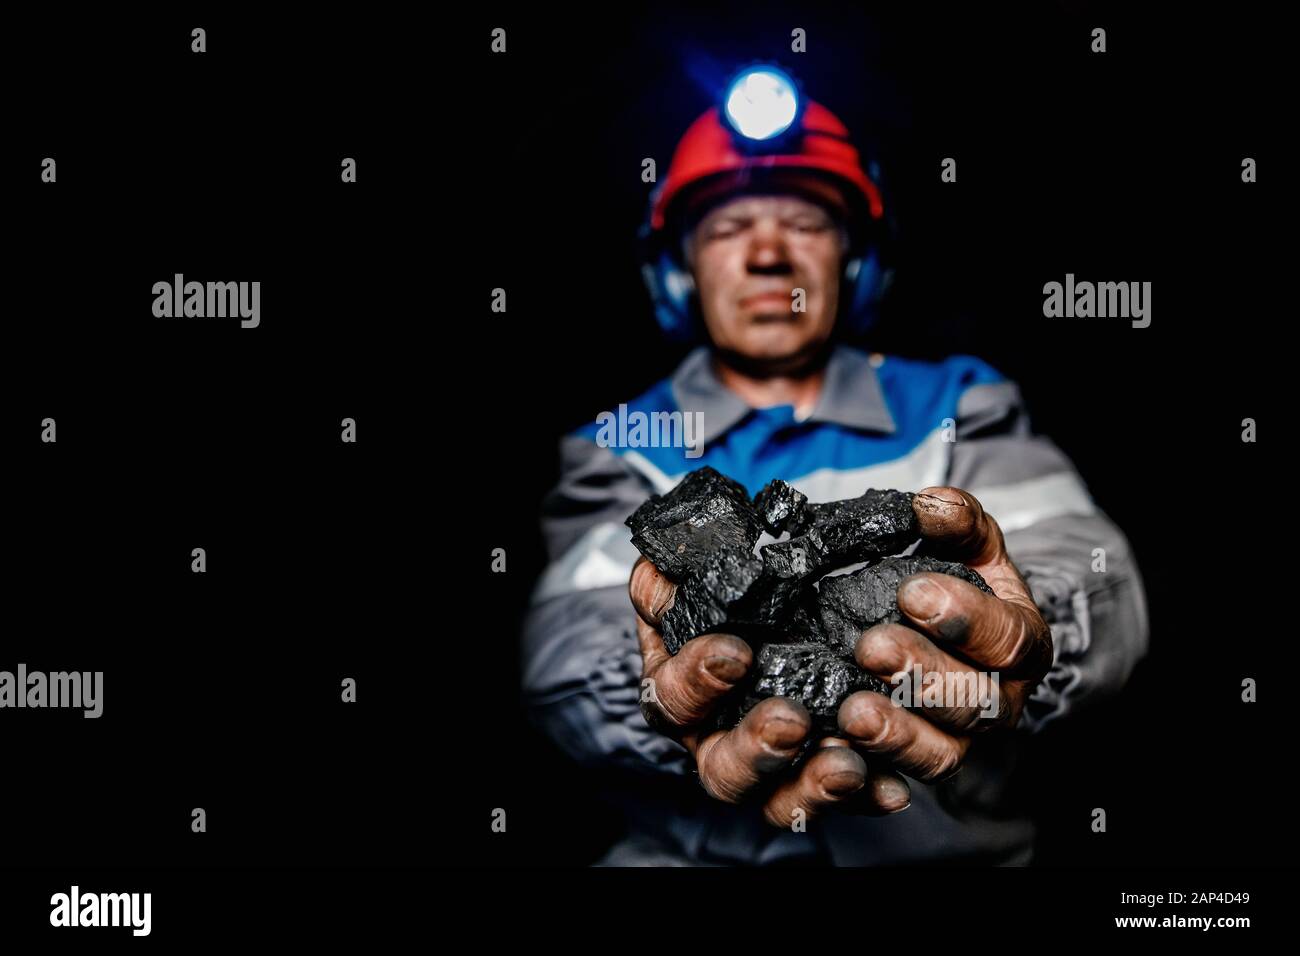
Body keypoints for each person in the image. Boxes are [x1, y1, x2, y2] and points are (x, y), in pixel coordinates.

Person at [521, 70, 1148, 865]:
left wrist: (996, 645)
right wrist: (685, 699)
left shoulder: (960, 399)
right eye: (726, 227)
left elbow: (1099, 572)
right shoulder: (622, 439)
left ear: (854, 261)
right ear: (679, 272)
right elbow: (560, 652)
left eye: (806, 222)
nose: (767, 253)